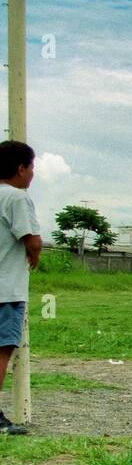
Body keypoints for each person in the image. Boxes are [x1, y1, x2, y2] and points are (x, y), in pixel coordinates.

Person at [0, 141, 39, 436]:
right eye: (32, 167)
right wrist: (34, 255)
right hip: (6, 290)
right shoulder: (16, 197)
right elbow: (32, 240)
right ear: (20, 168)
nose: (33, 174)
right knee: (2, 352)